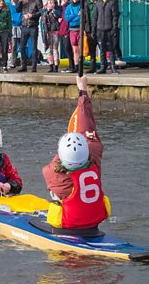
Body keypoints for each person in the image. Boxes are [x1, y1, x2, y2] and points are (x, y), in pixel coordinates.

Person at [42, 75, 108, 230]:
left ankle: (59, 228)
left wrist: (61, 151)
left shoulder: (54, 174)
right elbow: (87, 123)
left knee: (55, 196)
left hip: (70, 224)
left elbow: (47, 170)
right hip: (96, 219)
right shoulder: (95, 151)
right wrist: (83, 91)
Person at [16, 0, 44, 73]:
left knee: (34, 47)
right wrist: (19, 2)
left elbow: (41, 11)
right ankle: (23, 65)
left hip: (33, 26)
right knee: (22, 47)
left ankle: (34, 66)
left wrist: (32, 15)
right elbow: (17, 10)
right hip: (24, 26)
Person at [93, 0, 120, 74]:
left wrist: (114, 28)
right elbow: (95, 18)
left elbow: (115, 16)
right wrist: (94, 30)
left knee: (111, 49)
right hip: (100, 30)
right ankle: (102, 67)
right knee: (102, 49)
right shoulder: (98, 3)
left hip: (109, 29)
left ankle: (113, 67)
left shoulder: (112, 2)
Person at [40, 0, 63, 73]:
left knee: (55, 49)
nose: (50, 2)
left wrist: (53, 10)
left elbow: (59, 16)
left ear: (54, 1)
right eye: (48, 0)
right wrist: (46, 10)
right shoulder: (45, 10)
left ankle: (56, 66)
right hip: (47, 32)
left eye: (51, 0)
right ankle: (50, 65)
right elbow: (41, 15)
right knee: (49, 49)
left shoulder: (58, 8)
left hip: (55, 31)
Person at [64, 0, 85, 73]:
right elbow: (67, 18)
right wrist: (76, 15)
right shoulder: (69, 7)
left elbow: (82, 18)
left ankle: (80, 66)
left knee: (80, 49)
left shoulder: (81, 6)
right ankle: (76, 66)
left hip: (80, 29)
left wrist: (74, 17)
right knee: (75, 49)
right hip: (72, 29)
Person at [8, 0, 23, 68]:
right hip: (13, 27)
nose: (13, 0)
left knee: (22, 45)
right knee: (13, 45)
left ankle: (22, 62)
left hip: (20, 26)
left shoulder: (20, 5)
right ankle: (13, 62)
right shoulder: (8, 5)